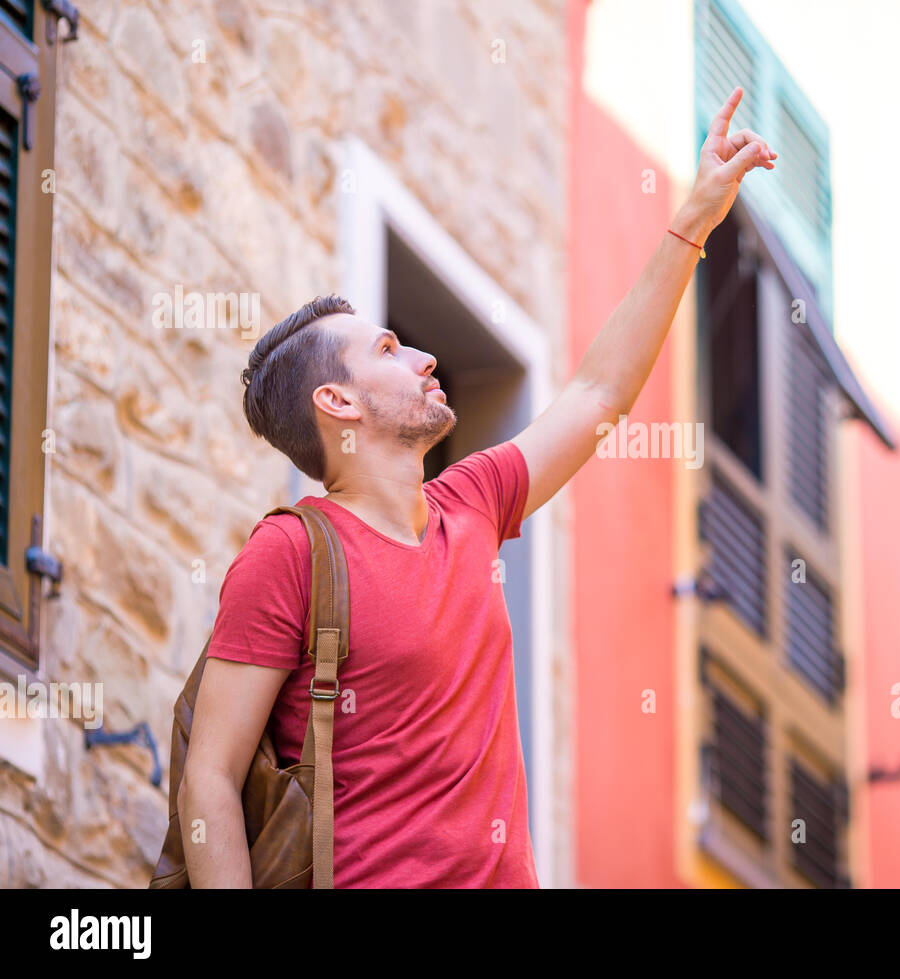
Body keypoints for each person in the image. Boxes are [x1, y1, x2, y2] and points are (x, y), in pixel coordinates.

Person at [178, 87, 776, 887]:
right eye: (388, 349)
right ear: (338, 402)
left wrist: (691, 225)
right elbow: (208, 778)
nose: (422, 356)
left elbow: (600, 393)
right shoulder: (290, 554)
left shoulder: (473, 501)